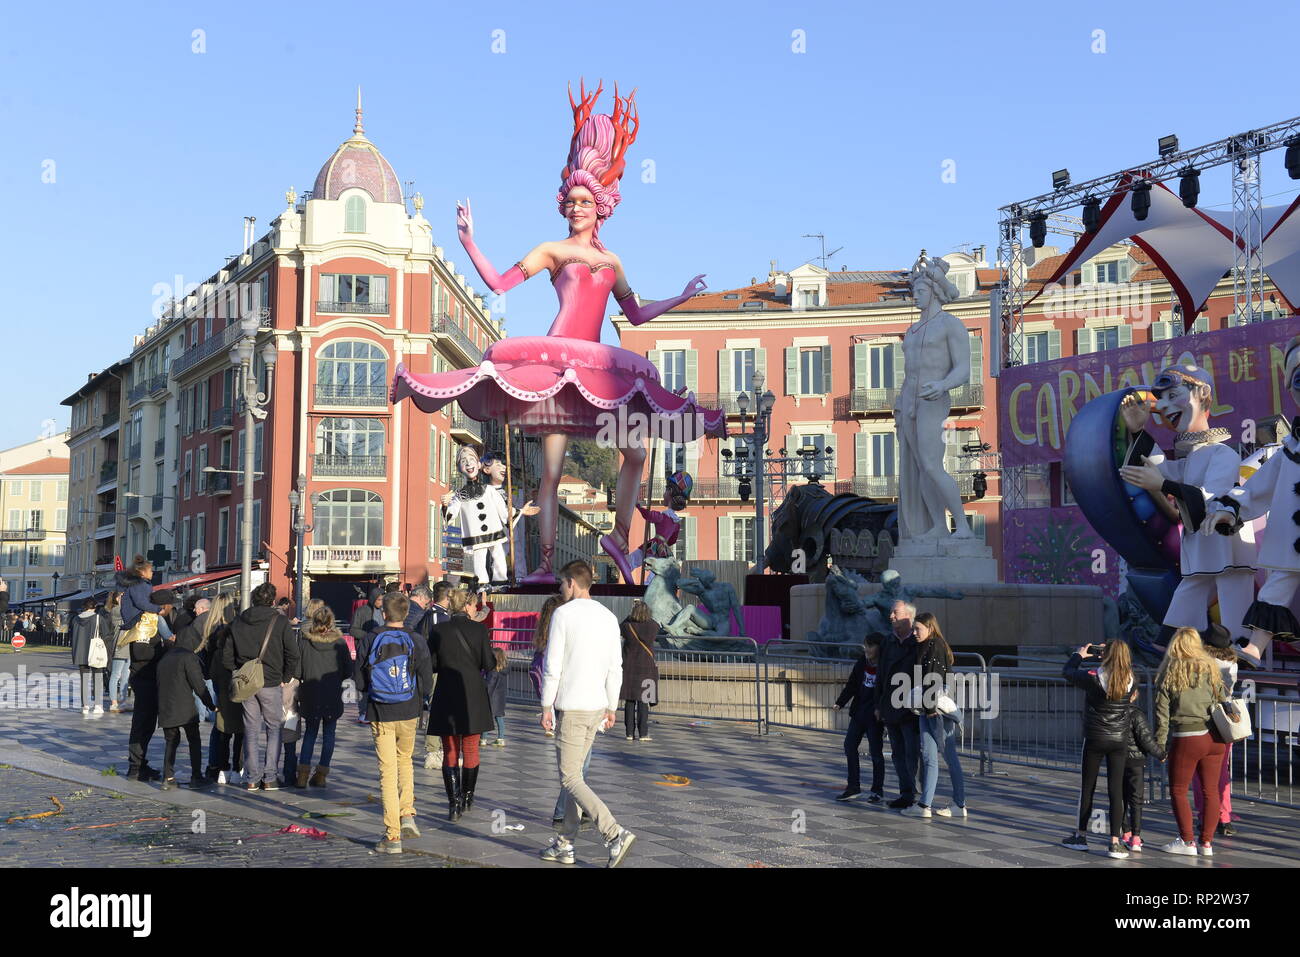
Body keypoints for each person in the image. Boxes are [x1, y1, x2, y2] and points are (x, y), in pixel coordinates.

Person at [390, 82, 725, 586]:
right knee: (550, 471)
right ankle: (546, 564)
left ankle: (617, 535)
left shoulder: (612, 261)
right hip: (555, 365)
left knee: (634, 452)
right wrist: (468, 241)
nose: (576, 207)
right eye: (570, 200)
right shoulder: (551, 249)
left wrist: (679, 296)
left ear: (602, 205)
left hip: (600, 370)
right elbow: (500, 283)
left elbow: (633, 314)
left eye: (584, 201)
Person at [539, 560, 636, 867]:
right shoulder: (608, 616)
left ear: (572, 583)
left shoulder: (563, 614)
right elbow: (614, 667)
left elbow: (552, 665)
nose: (559, 588)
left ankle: (613, 832)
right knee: (576, 776)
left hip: (573, 705)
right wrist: (611, 705)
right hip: (595, 704)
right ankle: (565, 843)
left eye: (561, 582)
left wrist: (546, 706)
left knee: (569, 777)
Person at [355, 591, 432, 854]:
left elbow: (359, 680)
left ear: (384, 613)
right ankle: (408, 813)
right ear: (406, 612)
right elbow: (427, 678)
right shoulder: (417, 639)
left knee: (387, 770)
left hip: (381, 709)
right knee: (406, 760)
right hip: (409, 709)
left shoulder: (371, 637)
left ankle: (392, 835)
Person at [1155, 627, 1229, 857]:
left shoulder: (1171, 671)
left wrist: (1160, 744)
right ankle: (1207, 843)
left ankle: (1187, 841)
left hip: (1188, 735)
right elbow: (1222, 699)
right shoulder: (1211, 667)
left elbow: (1162, 713)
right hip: (1215, 737)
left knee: (1178, 790)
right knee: (1211, 791)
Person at [1061, 640, 1138, 859]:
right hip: (1118, 739)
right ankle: (1115, 841)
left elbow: (1067, 672)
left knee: (1088, 787)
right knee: (1116, 791)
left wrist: (1080, 655)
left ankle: (1081, 836)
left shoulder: (1094, 678)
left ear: (1107, 655)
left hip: (1095, 738)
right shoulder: (1131, 680)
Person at [223, 582, 300, 792]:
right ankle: (269, 778)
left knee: (250, 730)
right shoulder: (280, 621)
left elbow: (226, 655)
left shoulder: (238, 621)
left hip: (247, 682)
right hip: (271, 681)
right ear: (272, 601)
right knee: (274, 728)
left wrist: (237, 672)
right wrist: (285, 676)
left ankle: (251, 778)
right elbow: (292, 653)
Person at [427, 589, 496, 821]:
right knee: (471, 749)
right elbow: (488, 662)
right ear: (467, 606)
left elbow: (433, 663)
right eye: (474, 605)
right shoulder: (479, 629)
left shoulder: (438, 630)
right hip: (472, 694)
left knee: (450, 751)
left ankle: (453, 803)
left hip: (447, 692)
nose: (476, 609)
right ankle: (467, 797)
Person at [117, 557, 172, 782]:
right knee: (143, 720)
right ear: (143, 571)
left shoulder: (132, 587)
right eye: (150, 569)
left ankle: (138, 764)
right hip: (145, 672)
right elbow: (143, 605)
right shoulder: (141, 588)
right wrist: (158, 610)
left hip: (143, 670)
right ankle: (136, 766)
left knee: (144, 720)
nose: (152, 572)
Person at [907, 612, 967, 820]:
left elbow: (935, 679)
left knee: (948, 757)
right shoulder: (926, 646)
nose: (914, 632)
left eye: (918, 629)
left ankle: (959, 803)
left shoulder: (935, 645)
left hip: (934, 710)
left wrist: (930, 708)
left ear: (930, 628)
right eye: (914, 629)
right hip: (928, 708)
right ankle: (925, 804)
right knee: (929, 756)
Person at [296, 599, 351, 788]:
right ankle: (321, 774)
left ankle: (302, 775)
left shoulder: (305, 642)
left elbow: (298, 671)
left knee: (310, 733)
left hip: (311, 692)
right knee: (329, 734)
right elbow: (348, 671)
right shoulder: (340, 643)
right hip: (331, 692)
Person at [156, 617, 216, 791]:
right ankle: (196, 776)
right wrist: (210, 705)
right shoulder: (189, 657)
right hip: (184, 708)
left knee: (171, 742)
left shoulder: (166, 657)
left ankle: (168, 777)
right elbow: (199, 684)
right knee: (194, 741)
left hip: (166, 707)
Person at [1193, 623, 1240, 838]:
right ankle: (1225, 817)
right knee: (1222, 771)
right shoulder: (1232, 662)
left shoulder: (1202, 663)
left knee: (1199, 773)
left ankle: (1204, 816)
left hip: (1202, 720)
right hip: (1224, 721)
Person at [875, 600, 920, 810]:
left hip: (911, 709)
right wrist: (879, 704)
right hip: (891, 706)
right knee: (897, 753)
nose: (891, 616)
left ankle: (915, 792)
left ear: (908, 616)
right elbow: (880, 674)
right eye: (891, 612)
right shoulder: (887, 642)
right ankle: (906, 792)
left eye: (895, 612)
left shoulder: (918, 642)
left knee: (913, 752)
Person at [833, 634, 885, 803]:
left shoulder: (885, 666)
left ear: (879, 647)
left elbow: (886, 690)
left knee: (876, 753)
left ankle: (877, 790)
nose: (867, 650)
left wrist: (881, 709)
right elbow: (852, 685)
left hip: (874, 717)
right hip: (858, 713)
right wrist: (840, 702)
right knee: (849, 746)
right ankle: (853, 787)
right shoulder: (862, 662)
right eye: (865, 646)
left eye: (871, 646)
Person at [200, 594, 243, 784]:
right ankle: (234, 767)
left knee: (221, 725)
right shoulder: (229, 630)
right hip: (231, 680)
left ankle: (215, 765)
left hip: (216, 679)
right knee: (236, 727)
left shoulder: (208, 627)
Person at [1120, 696, 1164, 853]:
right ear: (1133, 695)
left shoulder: (1111, 711)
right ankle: (1136, 838)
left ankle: (1125, 833)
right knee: (1136, 799)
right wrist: (1160, 754)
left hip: (1117, 760)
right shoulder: (1136, 714)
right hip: (1136, 762)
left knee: (1120, 798)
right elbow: (1145, 739)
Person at [619, 600, 659, 741]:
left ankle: (629, 733)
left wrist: (631, 615)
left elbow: (621, 625)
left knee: (629, 701)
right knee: (644, 702)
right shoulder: (652, 626)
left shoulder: (627, 625)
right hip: (646, 668)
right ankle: (643, 733)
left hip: (629, 667)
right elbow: (657, 624)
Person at [69, 597, 110, 717]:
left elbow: (71, 635)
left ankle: (85, 705)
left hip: (80, 652)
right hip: (95, 652)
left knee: (84, 679)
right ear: (95, 606)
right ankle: (97, 705)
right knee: (97, 678)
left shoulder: (76, 619)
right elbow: (106, 635)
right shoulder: (98, 618)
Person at [350, 587, 384, 724]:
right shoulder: (362, 611)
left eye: (383, 599)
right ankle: (363, 712)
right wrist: (369, 636)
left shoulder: (384, 612)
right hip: (365, 651)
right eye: (379, 599)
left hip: (380, 652)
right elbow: (352, 629)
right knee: (364, 682)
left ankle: (376, 711)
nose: (381, 602)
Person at [104, 591, 131, 714]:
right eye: (121, 596)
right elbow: (127, 614)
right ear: (115, 598)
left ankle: (123, 701)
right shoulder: (116, 610)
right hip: (120, 645)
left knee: (126, 675)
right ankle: (114, 702)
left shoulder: (124, 609)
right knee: (116, 674)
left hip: (128, 644)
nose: (124, 598)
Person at [481, 647, 509, 747]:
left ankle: (483, 738)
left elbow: (489, 685)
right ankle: (501, 738)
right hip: (500, 699)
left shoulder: (493, 673)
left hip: (491, 698)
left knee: (486, 719)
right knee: (499, 718)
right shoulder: (503, 672)